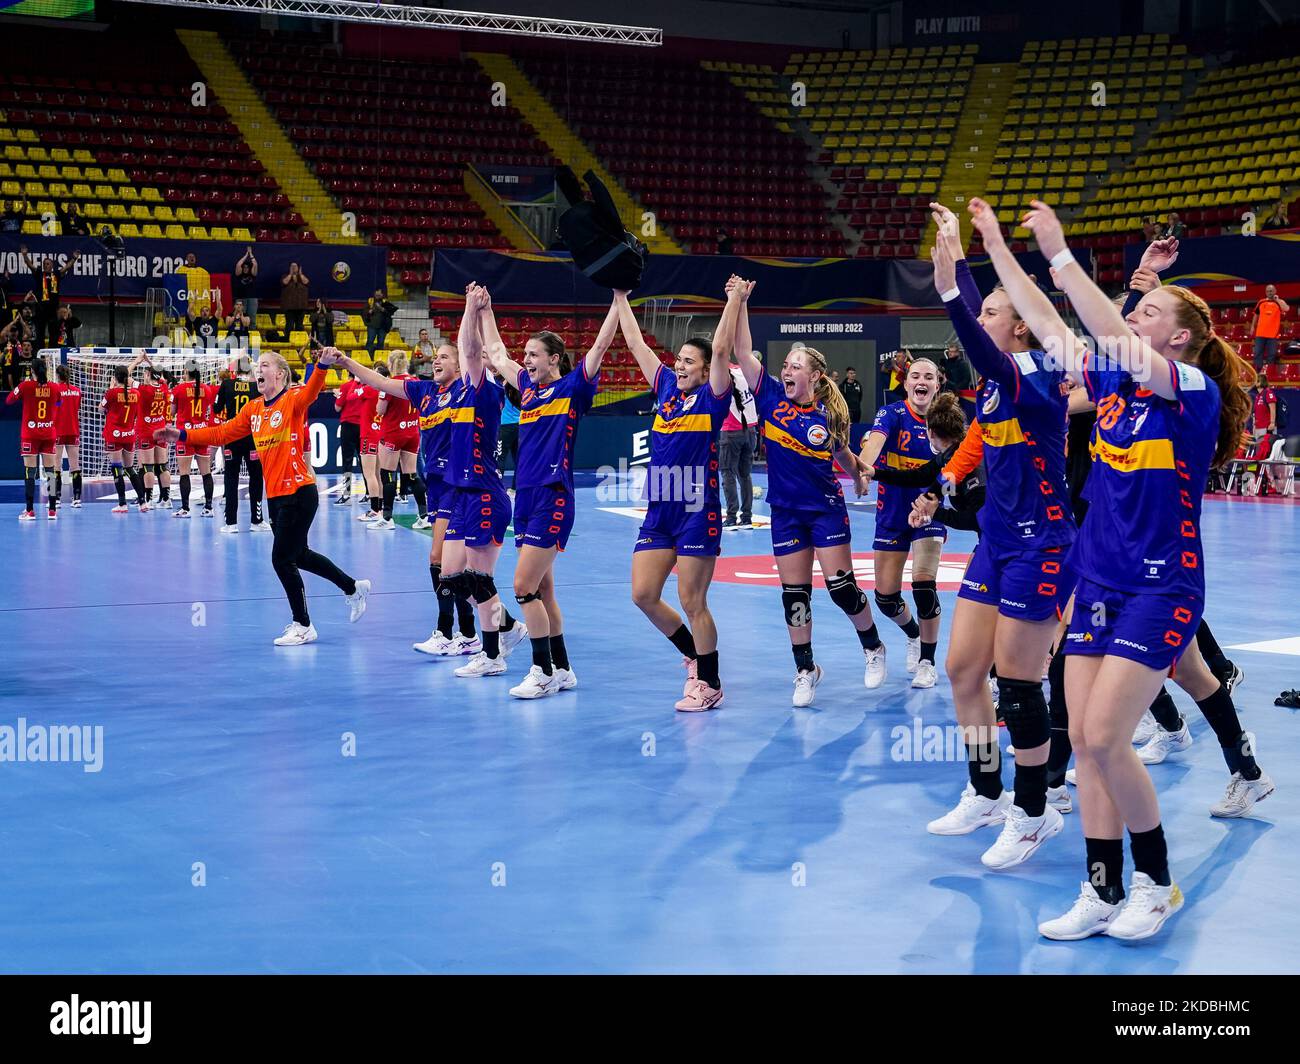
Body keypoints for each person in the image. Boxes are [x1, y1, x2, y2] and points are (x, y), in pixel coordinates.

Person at [985, 198, 1271, 941]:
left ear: (1177, 337)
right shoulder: (1108, 387)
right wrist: (994, 246)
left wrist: (1058, 250)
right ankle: (1102, 889)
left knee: (1108, 736)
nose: (1131, 318)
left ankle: (1155, 883)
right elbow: (1048, 324)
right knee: (1084, 741)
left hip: (1161, 588)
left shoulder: (1191, 391)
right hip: (1097, 584)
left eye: (1146, 314)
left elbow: (1106, 327)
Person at [916, 201, 1075, 870]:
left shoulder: (1034, 379)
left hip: (1043, 548)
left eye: (991, 315)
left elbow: (981, 335)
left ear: (1018, 328)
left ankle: (1034, 811)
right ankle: (986, 790)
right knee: (960, 669)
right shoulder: (991, 387)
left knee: (1017, 683)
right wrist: (951, 259)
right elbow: (984, 334)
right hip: (996, 542)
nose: (981, 324)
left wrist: (952, 288)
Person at [727, 279, 886, 706]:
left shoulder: (827, 414)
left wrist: (860, 473)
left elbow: (844, 453)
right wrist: (740, 301)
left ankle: (872, 646)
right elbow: (743, 353)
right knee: (795, 596)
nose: (787, 370)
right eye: (786, 365)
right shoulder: (772, 398)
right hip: (786, 512)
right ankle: (805, 669)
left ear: (815, 376)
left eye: (796, 366)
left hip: (826, 511)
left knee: (842, 590)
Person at [157, 350, 370, 645]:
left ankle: (303, 624)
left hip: (300, 490)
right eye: (258, 366)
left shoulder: (293, 399)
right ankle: (353, 587)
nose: (259, 369)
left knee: (281, 560)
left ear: (280, 375)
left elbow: (311, 391)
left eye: (265, 365)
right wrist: (181, 436)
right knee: (300, 555)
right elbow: (221, 434)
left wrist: (322, 364)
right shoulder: (254, 409)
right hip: (277, 495)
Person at [477, 296, 619, 697]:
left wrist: (617, 301)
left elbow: (600, 346)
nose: (527, 360)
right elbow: (498, 353)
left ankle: (542, 671)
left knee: (523, 587)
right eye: (526, 355)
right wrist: (487, 310)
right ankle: (563, 669)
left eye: (534, 354)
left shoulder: (572, 388)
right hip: (526, 499)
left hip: (553, 498)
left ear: (554, 358)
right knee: (544, 591)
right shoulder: (526, 389)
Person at [615, 287, 735, 712]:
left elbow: (721, 349)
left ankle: (710, 682)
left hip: (696, 509)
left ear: (705, 373)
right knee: (643, 594)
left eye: (689, 362)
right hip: (660, 508)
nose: (679, 365)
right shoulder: (666, 386)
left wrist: (733, 300)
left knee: (692, 600)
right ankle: (692, 655)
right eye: (679, 359)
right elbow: (633, 342)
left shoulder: (712, 397)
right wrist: (619, 296)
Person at [323, 342, 481, 658]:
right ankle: (478, 629)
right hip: (438, 485)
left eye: (444, 357)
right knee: (450, 565)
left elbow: (481, 362)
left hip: (460, 486)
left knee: (440, 561)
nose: (436, 361)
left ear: (461, 365)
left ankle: (452, 630)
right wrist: (346, 362)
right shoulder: (423, 390)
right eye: (435, 357)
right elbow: (379, 381)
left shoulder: (468, 389)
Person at [432, 283, 527, 678]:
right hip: (464, 495)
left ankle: (491, 655)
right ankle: (507, 626)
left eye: (489, 358)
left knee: (478, 578)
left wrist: (469, 308)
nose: (482, 355)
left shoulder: (486, 391)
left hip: (485, 495)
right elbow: (475, 350)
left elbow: (470, 350)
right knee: (452, 577)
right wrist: (482, 310)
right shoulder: (466, 391)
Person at [859, 356, 947, 689]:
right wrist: (864, 469)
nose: (921, 381)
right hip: (893, 514)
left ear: (937, 384)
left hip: (928, 511)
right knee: (885, 597)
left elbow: (958, 464)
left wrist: (937, 500)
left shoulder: (945, 420)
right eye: (915, 376)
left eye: (929, 376)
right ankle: (913, 633)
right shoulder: (892, 414)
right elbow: (874, 446)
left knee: (924, 584)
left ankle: (928, 660)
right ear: (906, 383)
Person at [370, 351, 428, 530]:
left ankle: (387, 518)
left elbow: (380, 410)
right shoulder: (417, 382)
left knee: (387, 474)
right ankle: (424, 516)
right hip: (412, 432)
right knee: (411, 475)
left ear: (391, 364)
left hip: (393, 433)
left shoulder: (389, 384)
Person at [213, 354, 268, 533]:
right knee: (256, 477)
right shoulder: (256, 387)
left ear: (235, 370)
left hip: (232, 437)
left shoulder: (227, 384)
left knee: (231, 478)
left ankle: (231, 523)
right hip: (252, 437)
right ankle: (257, 521)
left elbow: (216, 409)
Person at [6, 360, 60, 520]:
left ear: (32, 371)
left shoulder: (26, 386)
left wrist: (26, 397)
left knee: (30, 472)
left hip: (30, 434)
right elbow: (59, 402)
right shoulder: (55, 387)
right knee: (50, 471)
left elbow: (9, 400)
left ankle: (29, 510)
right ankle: (52, 510)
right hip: (49, 432)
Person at [170, 365, 218, 519]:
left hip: (185, 434)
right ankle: (209, 507)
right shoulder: (207, 389)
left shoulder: (179, 389)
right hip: (202, 432)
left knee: (185, 473)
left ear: (186, 372)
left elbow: (171, 411)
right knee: (206, 472)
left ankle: (185, 509)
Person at [101, 365, 148, 513]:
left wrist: (110, 388)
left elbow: (101, 409)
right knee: (129, 468)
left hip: (114, 434)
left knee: (116, 467)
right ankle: (143, 502)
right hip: (129, 434)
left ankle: (122, 504)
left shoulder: (111, 393)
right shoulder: (137, 393)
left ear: (115, 378)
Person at [720, 356, 757, 528]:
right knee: (745, 475)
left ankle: (731, 516)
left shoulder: (721, 373)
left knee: (728, 474)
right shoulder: (743, 370)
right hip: (750, 430)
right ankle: (747, 516)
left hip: (731, 430)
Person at [20, 246, 81, 350]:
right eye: (44, 264)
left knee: (54, 332)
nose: (45, 265)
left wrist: (74, 258)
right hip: (41, 307)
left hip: (53, 309)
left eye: (48, 263)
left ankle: (53, 352)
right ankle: (40, 354)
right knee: (40, 333)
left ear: (52, 265)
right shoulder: (39, 273)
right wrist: (25, 255)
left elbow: (67, 267)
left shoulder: (56, 274)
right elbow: (30, 266)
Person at [131, 355, 172, 507]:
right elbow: (160, 374)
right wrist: (149, 362)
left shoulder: (144, 390)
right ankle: (166, 500)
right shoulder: (163, 387)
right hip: (161, 429)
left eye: (145, 374)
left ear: (148, 375)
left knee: (147, 466)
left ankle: (148, 499)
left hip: (146, 431)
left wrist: (137, 361)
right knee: (163, 466)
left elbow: (124, 376)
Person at [354, 364, 389, 521]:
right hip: (381, 434)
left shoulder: (369, 389)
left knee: (370, 475)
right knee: (377, 475)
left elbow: (351, 396)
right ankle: (380, 509)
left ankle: (374, 510)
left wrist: (358, 381)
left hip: (368, 435)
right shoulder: (386, 390)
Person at [333, 367, 366, 505]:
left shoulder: (346, 386)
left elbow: (337, 407)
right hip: (362, 427)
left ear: (348, 374)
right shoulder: (365, 387)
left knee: (347, 461)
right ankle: (369, 494)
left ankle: (346, 495)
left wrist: (339, 395)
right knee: (365, 461)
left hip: (348, 426)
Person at [52, 365, 82, 508]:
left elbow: (55, 406)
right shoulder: (77, 391)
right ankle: (77, 499)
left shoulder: (55, 390)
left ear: (57, 375)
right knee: (75, 466)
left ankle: (55, 499)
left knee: (54, 466)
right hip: (73, 430)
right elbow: (76, 408)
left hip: (57, 430)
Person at [1250, 284, 1290, 370]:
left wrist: (1277, 300)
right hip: (1260, 333)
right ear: (1265, 292)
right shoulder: (1261, 302)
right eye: (1268, 291)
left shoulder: (1279, 302)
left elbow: (1286, 309)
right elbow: (1256, 314)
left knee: (1271, 355)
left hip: (1273, 334)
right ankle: (1258, 374)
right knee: (1257, 353)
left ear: (1275, 291)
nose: (1269, 293)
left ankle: (1270, 373)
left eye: (1271, 291)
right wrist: (1252, 326)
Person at [940, 342, 976, 423]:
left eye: (952, 351)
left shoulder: (963, 364)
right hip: (949, 392)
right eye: (949, 351)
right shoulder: (947, 364)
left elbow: (966, 380)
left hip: (961, 394)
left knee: (961, 415)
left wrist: (955, 388)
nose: (950, 353)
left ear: (957, 352)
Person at [497, 374, 521, 491]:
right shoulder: (521, 388)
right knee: (518, 459)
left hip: (505, 427)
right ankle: (515, 489)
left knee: (500, 457)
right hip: (520, 426)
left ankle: (497, 488)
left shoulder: (502, 387)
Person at [362, 289, 396, 359]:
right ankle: (367, 357)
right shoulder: (370, 301)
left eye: (379, 295)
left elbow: (391, 312)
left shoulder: (386, 302)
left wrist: (382, 309)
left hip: (382, 327)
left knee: (381, 342)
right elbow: (363, 312)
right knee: (370, 341)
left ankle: (380, 358)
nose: (377, 296)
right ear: (374, 294)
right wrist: (368, 312)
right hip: (372, 326)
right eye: (376, 295)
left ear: (382, 295)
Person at [280, 262, 310, 337]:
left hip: (301, 307)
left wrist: (300, 274)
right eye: (292, 266)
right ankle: (288, 342)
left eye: (295, 266)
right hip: (289, 307)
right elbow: (284, 282)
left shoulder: (302, 277)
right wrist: (290, 274)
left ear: (298, 268)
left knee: (299, 326)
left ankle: (299, 344)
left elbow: (306, 282)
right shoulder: (285, 276)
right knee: (289, 326)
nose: (293, 268)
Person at [233, 247, 259, 322]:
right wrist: (246, 255)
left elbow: (255, 264)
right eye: (244, 267)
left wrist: (251, 254)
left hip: (252, 298)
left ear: (249, 268)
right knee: (238, 317)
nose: (245, 268)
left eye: (247, 267)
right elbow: (238, 264)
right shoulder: (239, 275)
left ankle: (252, 332)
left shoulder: (253, 275)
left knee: (252, 317)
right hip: (241, 298)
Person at [1252, 368, 1278, 437]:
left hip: (1266, 427)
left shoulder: (1268, 393)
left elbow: (1273, 408)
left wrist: (1272, 423)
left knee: (1266, 446)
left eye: (1256, 381)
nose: (1254, 382)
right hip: (1258, 427)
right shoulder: (1258, 395)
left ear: (1260, 382)